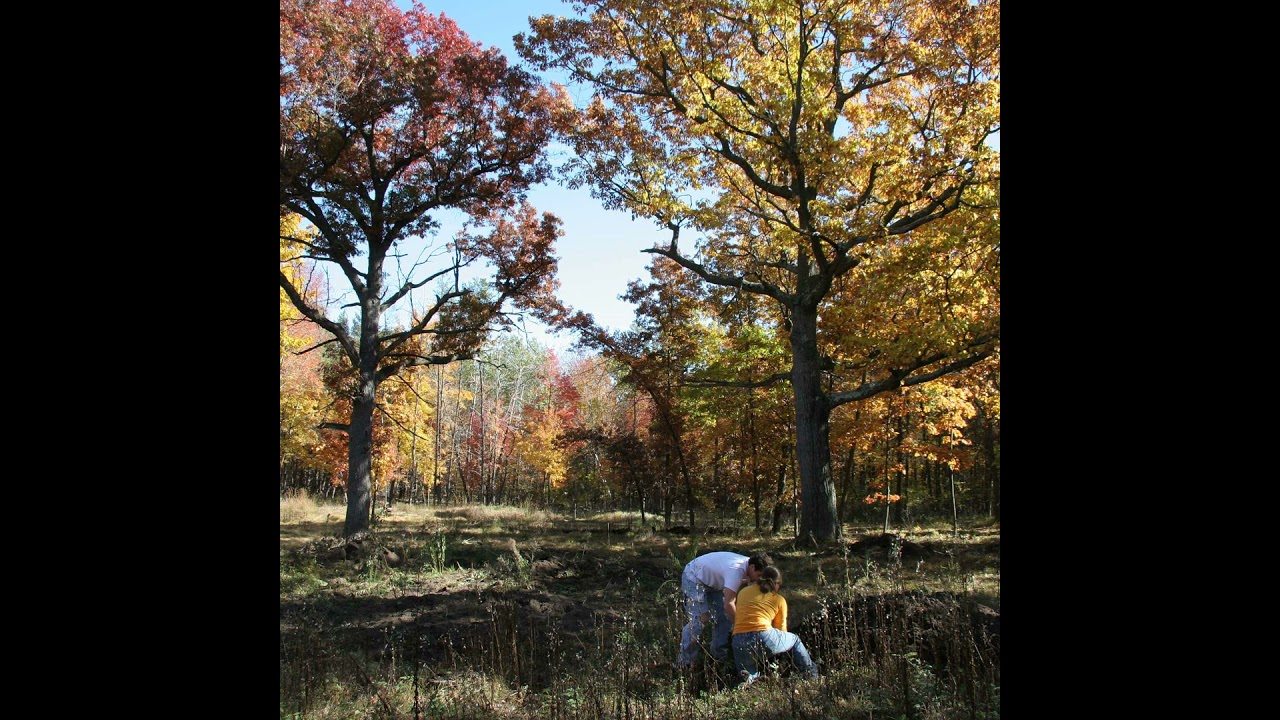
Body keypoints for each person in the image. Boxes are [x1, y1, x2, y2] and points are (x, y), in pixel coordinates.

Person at [678, 551, 774, 668]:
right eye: (758, 575)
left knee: (724, 617)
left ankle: (718, 656)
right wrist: (740, 628)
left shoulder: (750, 564)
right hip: (693, 577)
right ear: (752, 567)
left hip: (713, 582)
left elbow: (750, 588)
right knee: (701, 619)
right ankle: (684, 663)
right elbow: (729, 604)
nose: (759, 579)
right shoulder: (736, 570)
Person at [730, 565, 818, 683]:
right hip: (764, 637)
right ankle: (811, 673)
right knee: (795, 639)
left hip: (738, 641)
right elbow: (781, 631)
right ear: (776, 583)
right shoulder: (779, 600)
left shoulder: (743, 592)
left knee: (747, 678)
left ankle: (743, 690)